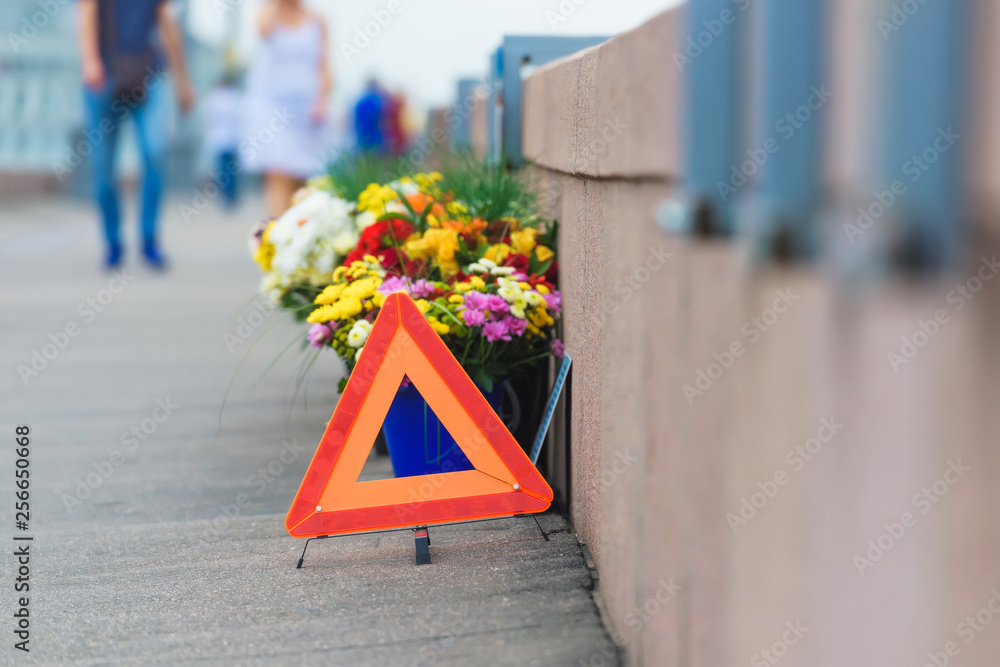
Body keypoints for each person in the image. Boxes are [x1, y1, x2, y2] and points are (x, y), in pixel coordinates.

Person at [78, 0, 194, 270]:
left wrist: (183, 81)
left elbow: (168, 24)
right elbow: (86, 12)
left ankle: (149, 239)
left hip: (147, 74)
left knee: (156, 152)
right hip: (104, 75)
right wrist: (90, 61)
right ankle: (113, 242)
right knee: (103, 166)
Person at [243, 0, 333, 220]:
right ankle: (277, 234)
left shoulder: (317, 20)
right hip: (272, 107)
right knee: (278, 172)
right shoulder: (266, 13)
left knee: (300, 178)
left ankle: (292, 237)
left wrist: (321, 101)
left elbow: (324, 66)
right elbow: (262, 30)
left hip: (306, 112)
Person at [204, 74, 243, 210]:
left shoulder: (226, 97)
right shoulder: (227, 97)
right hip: (223, 140)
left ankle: (230, 197)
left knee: (228, 170)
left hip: (229, 139)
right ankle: (226, 196)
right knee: (225, 170)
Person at [354, 78, 385, 154]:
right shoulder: (378, 102)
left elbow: (357, 122)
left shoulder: (361, 103)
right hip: (376, 139)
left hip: (362, 137)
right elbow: (382, 122)